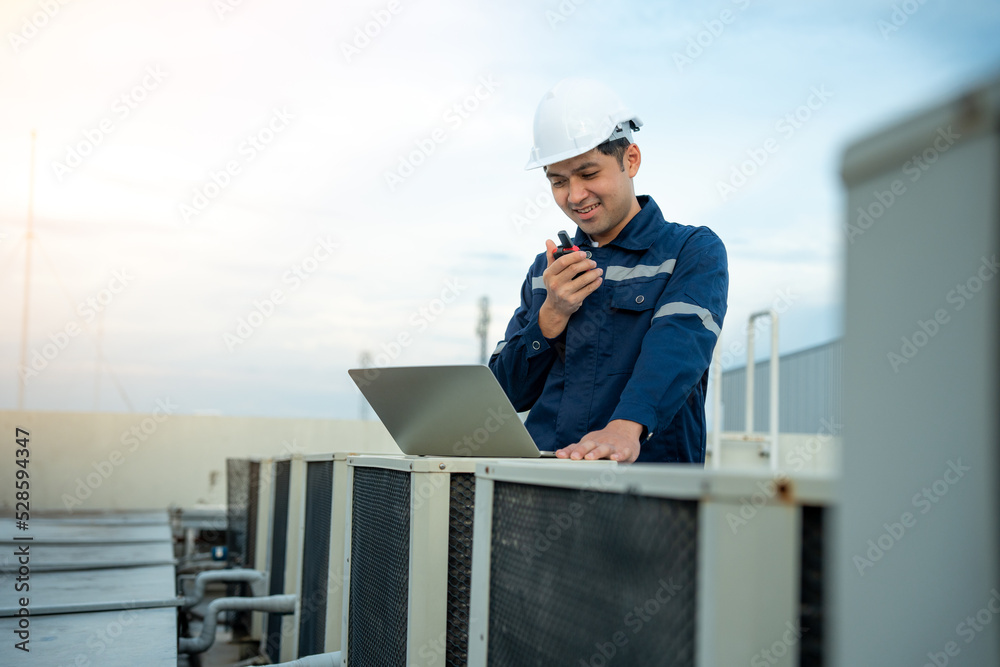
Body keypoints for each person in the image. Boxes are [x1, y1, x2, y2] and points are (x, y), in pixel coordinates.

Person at [489, 78, 729, 464]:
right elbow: (504, 396)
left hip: (647, 494)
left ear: (630, 160)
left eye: (588, 174)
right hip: (543, 483)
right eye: (558, 181)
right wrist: (549, 317)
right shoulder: (545, 272)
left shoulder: (690, 250)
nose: (575, 195)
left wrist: (627, 425)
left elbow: (679, 344)